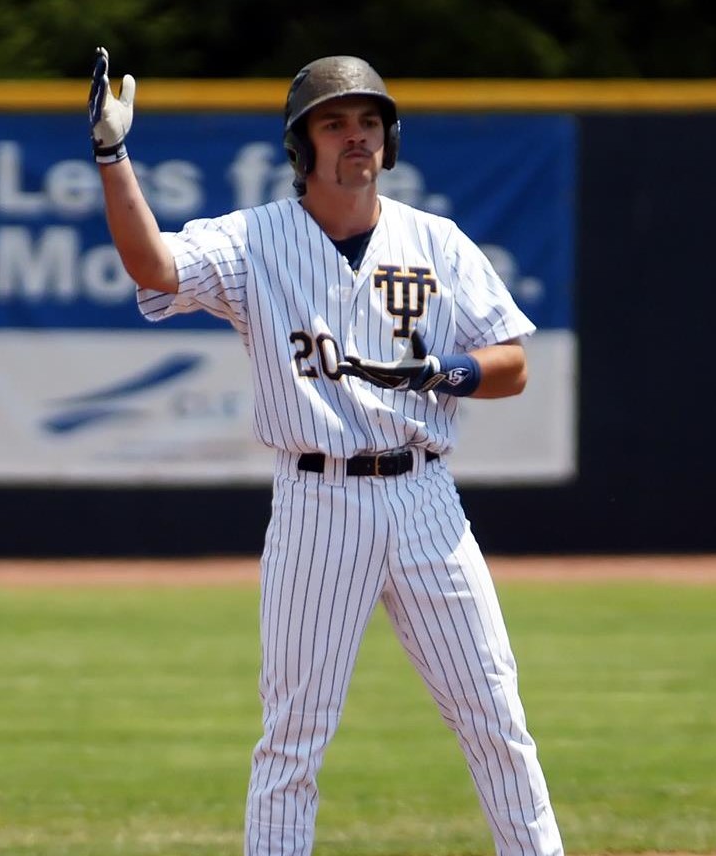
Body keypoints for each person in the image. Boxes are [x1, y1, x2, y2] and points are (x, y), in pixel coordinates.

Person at [88, 47, 565, 856]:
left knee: (495, 714)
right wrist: (112, 156)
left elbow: (513, 363)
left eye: (369, 122)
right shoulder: (253, 241)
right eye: (335, 123)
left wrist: (443, 372)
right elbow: (153, 265)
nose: (356, 137)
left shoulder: (435, 241)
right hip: (319, 501)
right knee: (294, 738)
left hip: (425, 500)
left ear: (391, 140)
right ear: (301, 145)